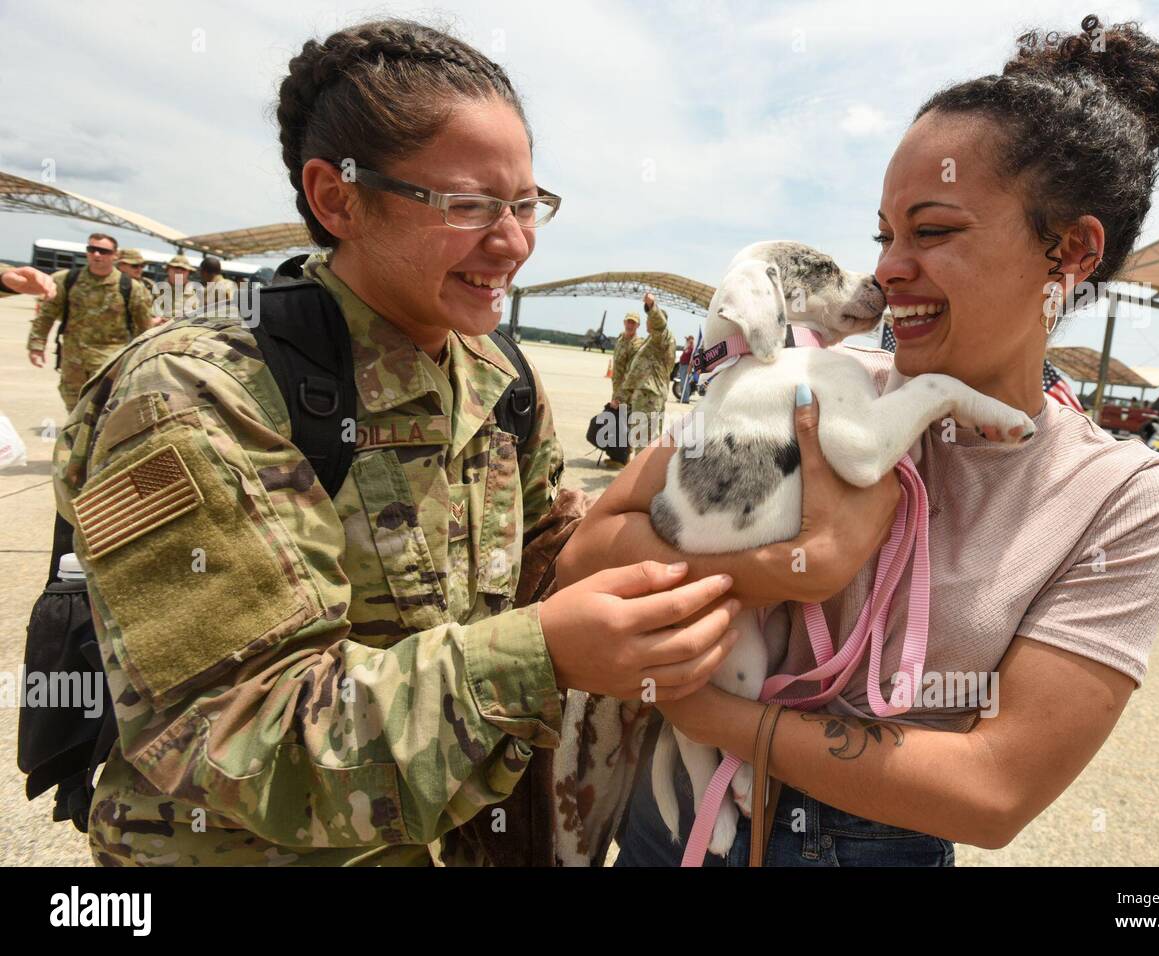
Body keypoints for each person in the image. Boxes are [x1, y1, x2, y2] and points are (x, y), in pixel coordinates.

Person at [51, 19, 741, 866]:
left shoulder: (497, 377)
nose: (514, 242)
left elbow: (545, 559)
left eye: (527, 205)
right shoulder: (196, 395)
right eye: (470, 206)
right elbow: (237, 741)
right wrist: (547, 655)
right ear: (338, 198)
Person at [558, 14, 1159, 866]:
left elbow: (992, 791)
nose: (890, 267)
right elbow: (588, 552)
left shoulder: (1123, 498)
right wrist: (800, 562)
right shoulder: (830, 387)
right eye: (884, 235)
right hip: (669, 826)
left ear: (1070, 251)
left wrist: (718, 717)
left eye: (931, 231)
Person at [28, 232, 154, 412]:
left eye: (103, 251)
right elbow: (47, 314)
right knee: (73, 405)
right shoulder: (66, 280)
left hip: (110, 361)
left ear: (114, 255)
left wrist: (145, 359)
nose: (97, 255)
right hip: (73, 359)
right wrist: (36, 345)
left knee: (104, 410)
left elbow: (144, 327)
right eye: (92, 249)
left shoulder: (130, 287)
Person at [622, 292, 676, 452]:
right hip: (647, 395)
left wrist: (651, 306)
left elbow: (660, 324)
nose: (647, 321)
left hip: (649, 396)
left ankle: (641, 475)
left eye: (649, 319)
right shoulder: (652, 339)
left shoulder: (662, 337)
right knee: (647, 438)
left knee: (643, 439)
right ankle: (645, 473)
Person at [154, 253, 200, 323]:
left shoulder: (195, 293)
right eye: (176, 268)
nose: (179, 271)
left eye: (183, 269)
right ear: (168, 270)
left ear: (189, 272)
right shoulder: (157, 290)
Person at [610, 311, 640, 408]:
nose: (630, 325)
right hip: (616, 387)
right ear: (624, 322)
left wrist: (619, 397)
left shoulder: (636, 345)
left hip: (626, 393)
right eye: (628, 322)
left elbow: (631, 374)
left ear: (638, 325)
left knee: (623, 419)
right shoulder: (621, 338)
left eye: (633, 323)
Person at [677, 334, 695, 404]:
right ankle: (683, 398)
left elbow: (692, 359)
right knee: (682, 383)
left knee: (685, 383)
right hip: (682, 365)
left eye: (690, 339)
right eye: (688, 339)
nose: (688, 340)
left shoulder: (692, 348)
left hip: (686, 366)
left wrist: (690, 367)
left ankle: (686, 399)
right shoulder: (687, 346)